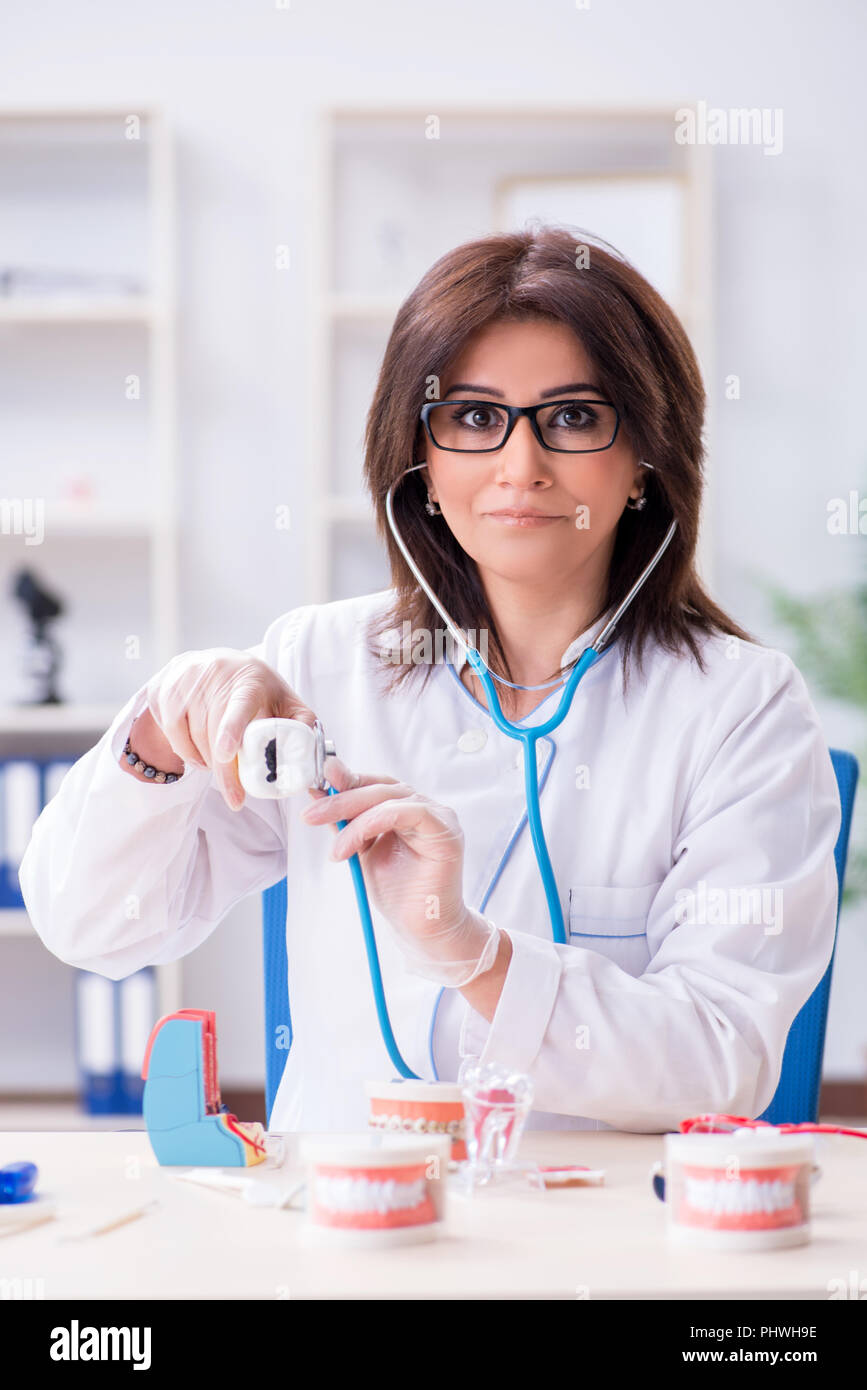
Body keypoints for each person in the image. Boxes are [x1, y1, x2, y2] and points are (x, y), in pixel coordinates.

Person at [19, 225, 841, 1135]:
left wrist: (470, 950)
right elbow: (93, 929)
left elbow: (716, 1063)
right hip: (342, 1227)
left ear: (645, 457)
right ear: (421, 456)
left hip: (603, 1237)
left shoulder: (738, 708)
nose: (519, 467)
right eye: (474, 417)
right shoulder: (315, 668)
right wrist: (160, 733)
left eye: (572, 416)